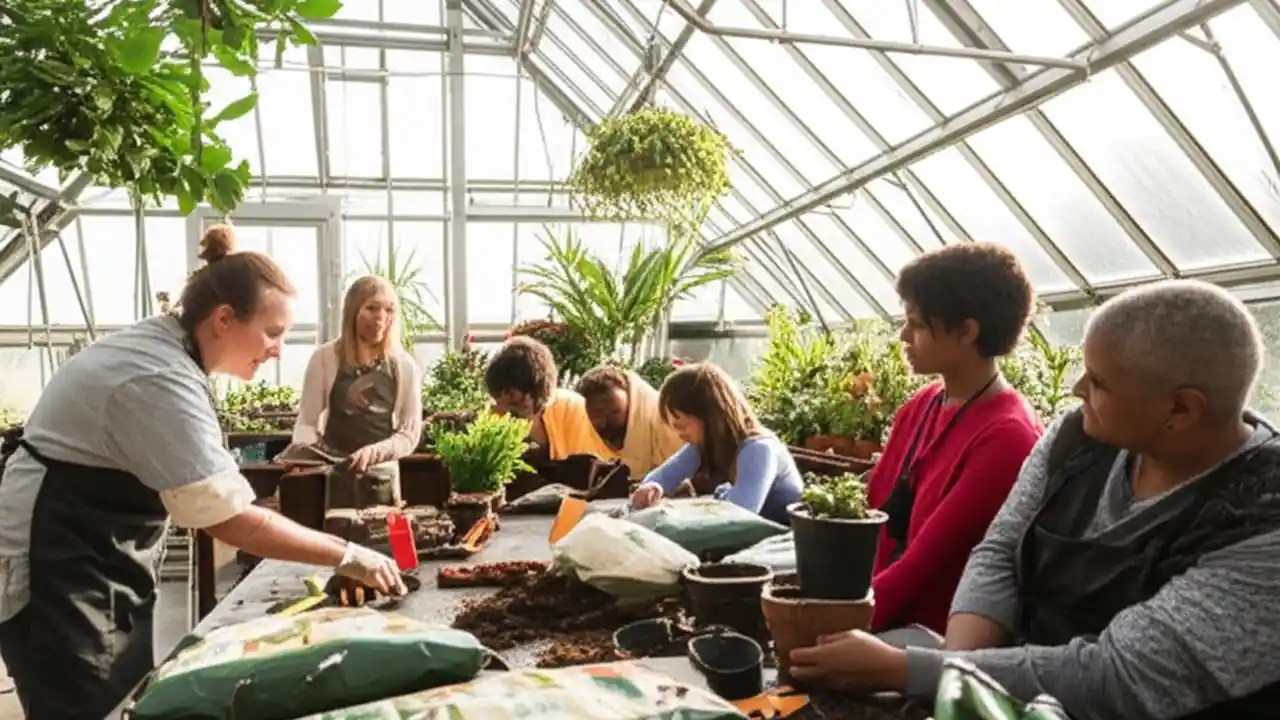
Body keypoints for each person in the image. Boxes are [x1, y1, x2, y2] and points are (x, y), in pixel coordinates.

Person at [787, 280, 1280, 720]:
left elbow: (1118, 678)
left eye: (1099, 382)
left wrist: (917, 672)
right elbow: (1000, 550)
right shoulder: (1078, 439)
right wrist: (957, 678)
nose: (1076, 388)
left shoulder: (1261, 517)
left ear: (1181, 407)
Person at [0, 226, 404, 719]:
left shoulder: (171, 350)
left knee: (123, 698)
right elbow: (230, 519)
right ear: (224, 319)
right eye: (273, 333)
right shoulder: (159, 377)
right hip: (57, 561)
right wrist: (347, 554)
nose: (278, 349)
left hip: (96, 555)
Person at [865, 242, 1042, 634]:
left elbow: (924, 565)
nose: (903, 335)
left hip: (931, 638)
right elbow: (871, 512)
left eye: (917, 323)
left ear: (967, 331)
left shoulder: (1007, 436)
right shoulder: (923, 404)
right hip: (879, 607)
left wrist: (838, 623)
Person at [291, 275, 423, 540]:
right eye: (372, 308)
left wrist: (375, 452)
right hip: (337, 477)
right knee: (339, 553)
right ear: (353, 310)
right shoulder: (326, 358)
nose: (380, 318)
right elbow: (306, 422)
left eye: (389, 310)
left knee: (393, 557)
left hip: (384, 479)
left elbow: (410, 433)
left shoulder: (404, 365)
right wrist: (305, 454)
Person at [630, 363, 803, 524]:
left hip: (784, 532)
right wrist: (652, 487)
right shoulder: (703, 446)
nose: (678, 432)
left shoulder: (758, 449)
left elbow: (740, 515)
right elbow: (663, 475)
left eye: (682, 425)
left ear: (710, 417)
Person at [484, 336, 613, 461]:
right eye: (502, 394)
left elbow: (594, 463)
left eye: (515, 395)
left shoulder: (571, 409)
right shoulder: (493, 421)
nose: (507, 402)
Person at [576, 364, 684, 477]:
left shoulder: (671, 423)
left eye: (615, 412)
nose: (606, 422)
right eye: (597, 415)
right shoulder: (580, 437)